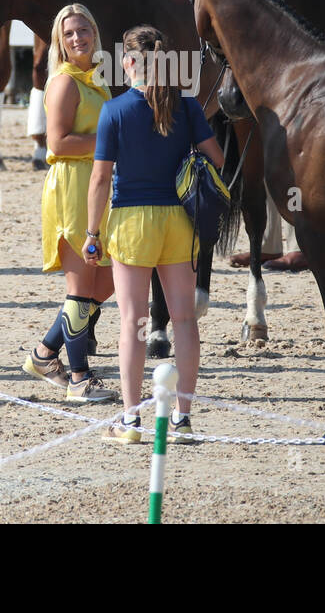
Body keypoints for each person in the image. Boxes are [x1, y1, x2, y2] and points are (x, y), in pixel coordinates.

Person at [84, 25, 224, 443]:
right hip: (179, 220)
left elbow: (100, 178)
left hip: (132, 221)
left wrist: (92, 233)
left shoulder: (115, 110)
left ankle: (130, 420)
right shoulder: (187, 106)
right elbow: (215, 158)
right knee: (183, 319)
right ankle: (182, 418)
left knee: (133, 322)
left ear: (128, 62)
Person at [213, 0, 316, 272]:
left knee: (293, 151)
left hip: (290, 65)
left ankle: (301, 239)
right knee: (261, 149)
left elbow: (305, 4)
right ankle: (270, 242)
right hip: (255, 67)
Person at [24, 4, 116, 402]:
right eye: (69, 34)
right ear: (60, 42)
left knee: (108, 280)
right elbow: (57, 143)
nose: (77, 38)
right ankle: (79, 378)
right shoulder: (63, 82)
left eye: (83, 30)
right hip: (72, 186)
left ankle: (45, 352)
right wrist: (112, 144)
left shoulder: (95, 77)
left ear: (94, 33)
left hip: (98, 184)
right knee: (80, 288)